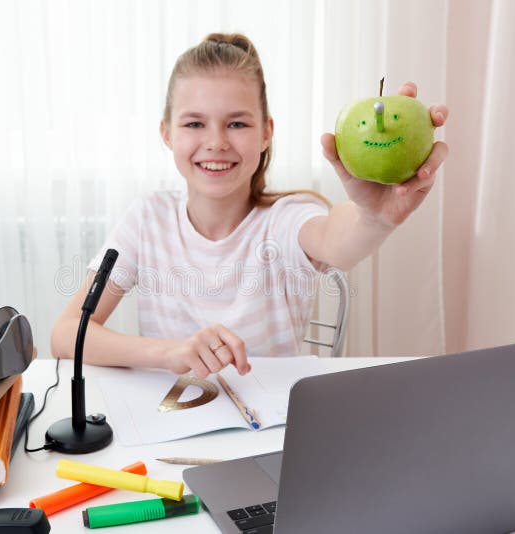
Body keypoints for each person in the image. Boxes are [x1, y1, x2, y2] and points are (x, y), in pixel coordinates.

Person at [51, 33, 449, 378]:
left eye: (237, 124)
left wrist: (373, 215)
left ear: (266, 133)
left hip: (269, 436)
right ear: (167, 133)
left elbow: (335, 237)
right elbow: (67, 333)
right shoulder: (147, 219)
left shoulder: (286, 219)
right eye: (194, 124)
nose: (217, 142)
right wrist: (170, 353)